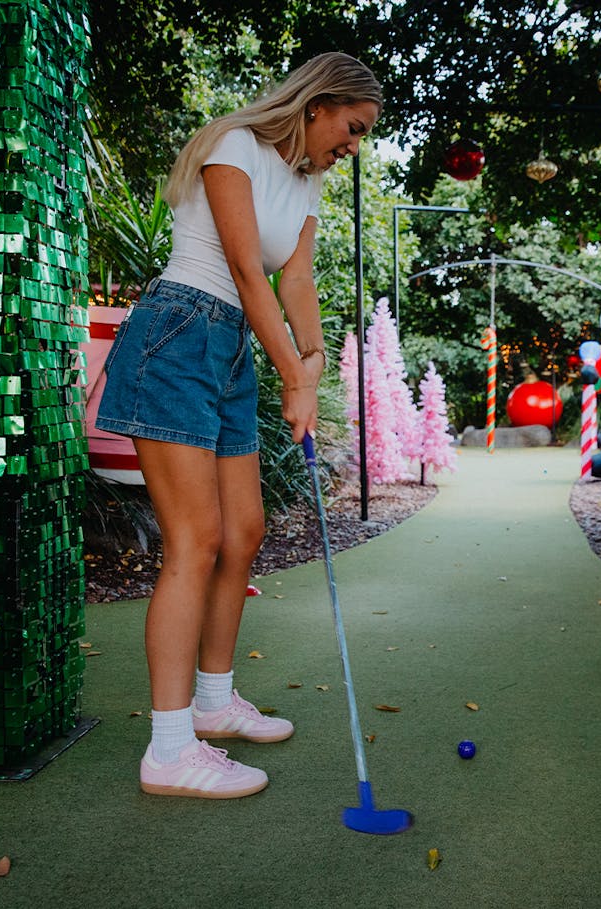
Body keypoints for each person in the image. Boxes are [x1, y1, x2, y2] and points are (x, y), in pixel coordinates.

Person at [95, 52, 382, 799]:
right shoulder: (234, 146)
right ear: (319, 104)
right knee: (195, 541)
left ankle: (215, 703)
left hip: (228, 352)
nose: (351, 147)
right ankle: (167, 747)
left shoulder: (308, 180)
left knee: (244, 530)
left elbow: (295, 277)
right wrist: (291, 373)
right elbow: (246, 268)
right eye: (351, 128)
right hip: (177, 334)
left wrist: (313, 360)